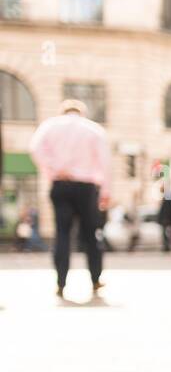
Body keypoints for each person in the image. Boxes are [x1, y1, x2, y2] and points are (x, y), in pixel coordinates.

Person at [28, 99, 112, 298]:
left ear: (63, 112)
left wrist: (54, 168)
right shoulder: (93, 130)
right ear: (81, 113)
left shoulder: (50, 126)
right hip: (86, 186)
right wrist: (106, 192)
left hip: (61, 184)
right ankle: (95, 279)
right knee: (91, 235)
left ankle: (61, 282)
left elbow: (35, 149)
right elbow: (105, 162)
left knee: (62, 233)